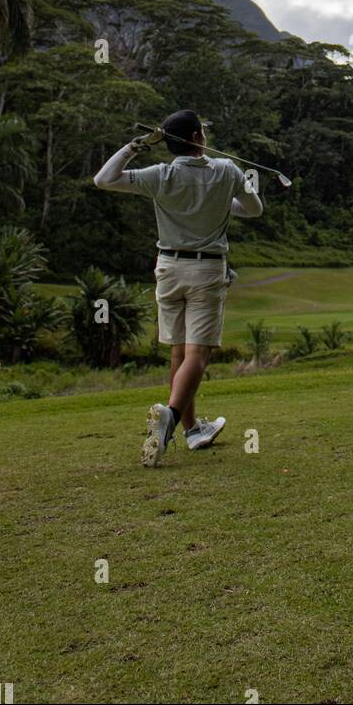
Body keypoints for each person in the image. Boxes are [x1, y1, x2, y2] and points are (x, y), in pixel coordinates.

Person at [94, 109, 262, 466]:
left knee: (178, 352)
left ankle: (193, 431)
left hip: (168, 267)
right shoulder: (227, 170)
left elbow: (103, 179)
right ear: (198, 137)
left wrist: (138, 145)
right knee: (197, 355)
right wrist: (219, 203)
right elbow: (253, 209)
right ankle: (171, 416)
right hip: (206, 270)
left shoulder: (160, 174)